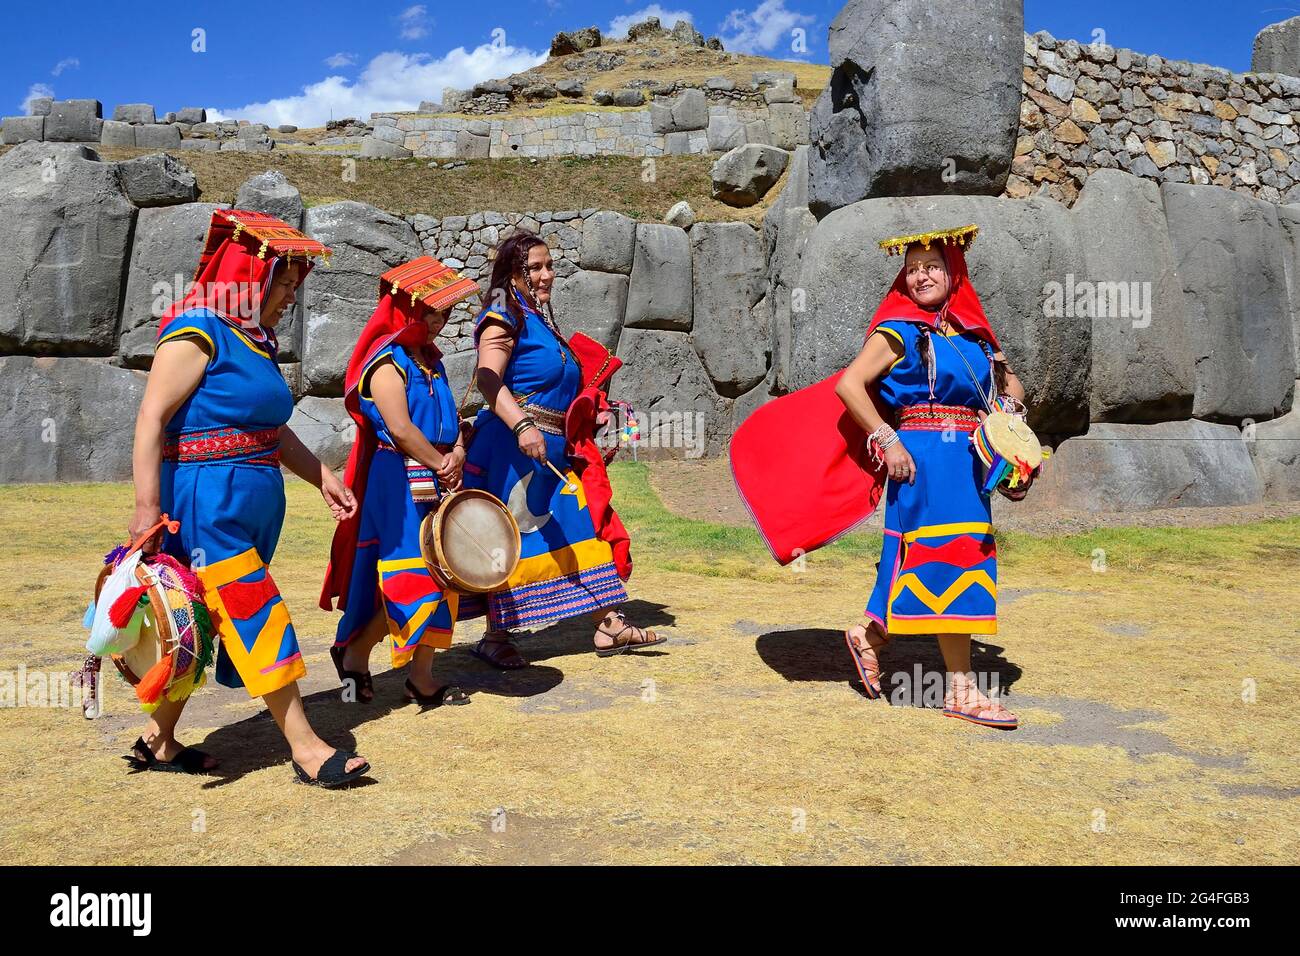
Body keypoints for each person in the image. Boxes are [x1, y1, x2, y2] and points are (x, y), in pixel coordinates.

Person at [127, 208, 370, 786]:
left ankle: (158, 741)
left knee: (207, 622)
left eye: (292, 285)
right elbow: (150, 418)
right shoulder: (197, 329)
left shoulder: (255, 341)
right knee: (253, 609)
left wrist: (322, 476)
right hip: (207, 504)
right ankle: (307, 747)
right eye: (281, 283)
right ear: (246, 275)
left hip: (251, 502)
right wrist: (145, 511)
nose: (289, 295)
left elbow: (271, 429)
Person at [835, 225, 1025, 729]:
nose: (920, 276)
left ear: (953, 271)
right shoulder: (898, 329)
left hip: (971, 459)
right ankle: (961, 688)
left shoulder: (972, 336)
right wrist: (886, 438)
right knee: (947, 557)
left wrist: (1013, 431)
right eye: (912, 268)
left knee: (935, 557)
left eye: (931, 266)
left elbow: (1011, 388)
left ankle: (869, 636)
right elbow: (849, 385)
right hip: (920, 458)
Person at [462, 230, 664, 668]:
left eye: (549, 265)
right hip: (511, 450)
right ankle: (496, 635)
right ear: (512, 274)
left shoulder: (539, 318)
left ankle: (608, 621)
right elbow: (487, 379)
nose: (545, 274)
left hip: (548, 451)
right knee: (510, 539)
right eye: (534, 267)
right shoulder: (503, 309)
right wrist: (523, 426)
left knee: (576, 524)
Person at [321, 257, 480, 706]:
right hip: (399, 483)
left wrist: (458, 453)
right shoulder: (386, 364)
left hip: (439, 474)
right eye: (432, 312)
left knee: (448, 570)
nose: (440, 322)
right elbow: (401, 427)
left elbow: (451, 425)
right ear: (407, 308)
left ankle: (422, 676)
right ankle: (355, 650)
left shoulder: (432, 361)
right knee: (417, 575)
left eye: (445, 313)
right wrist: (441, 462)